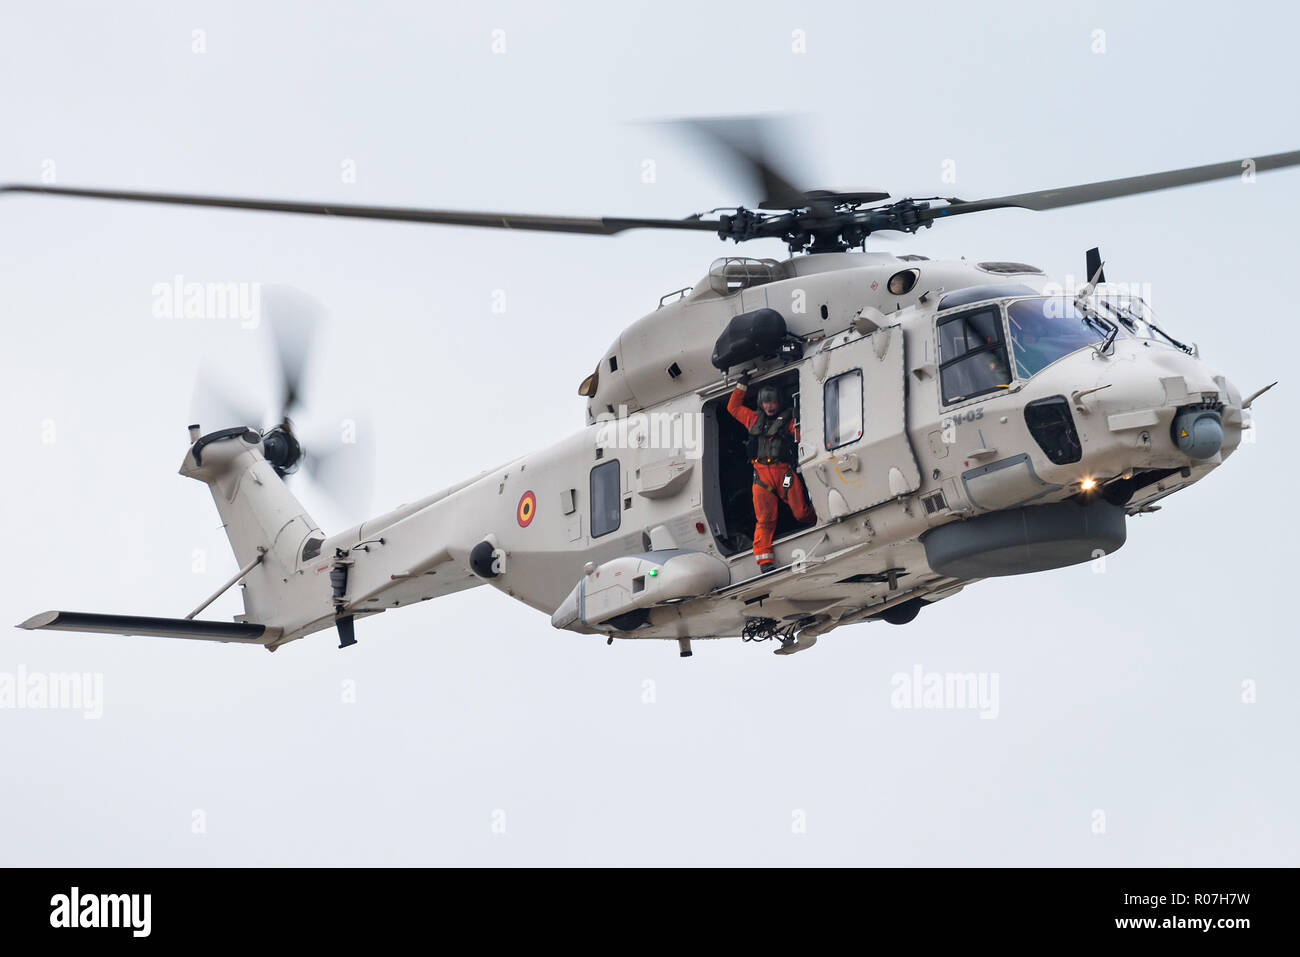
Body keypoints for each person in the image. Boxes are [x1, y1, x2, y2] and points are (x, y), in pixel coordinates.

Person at [727, 371, 816, 573]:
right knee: (765, 520)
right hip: (762, 478)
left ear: (779, 403)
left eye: (773, 402)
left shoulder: (789, 422)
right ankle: (764, 561)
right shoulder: (752, 419)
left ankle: (817, 524)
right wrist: (742, 384)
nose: (769, 406)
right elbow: (733, 407)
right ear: (761, 403)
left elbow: (805, 435)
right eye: (766, 403)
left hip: (783, 475)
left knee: (801, 512)